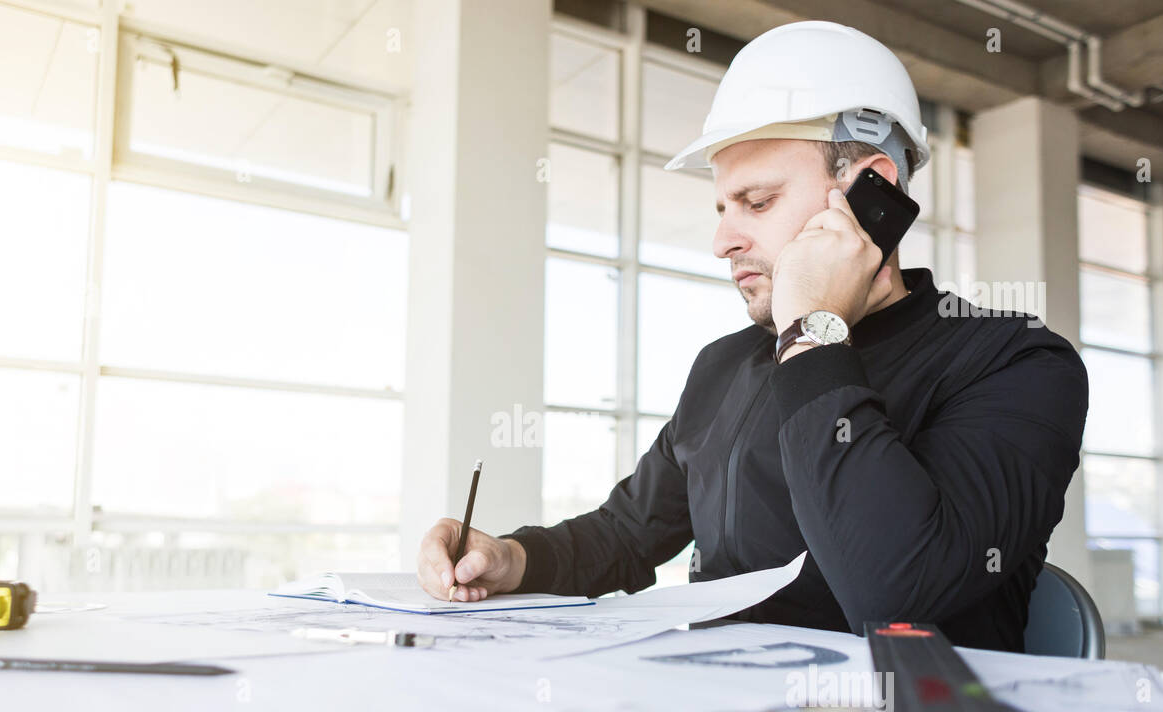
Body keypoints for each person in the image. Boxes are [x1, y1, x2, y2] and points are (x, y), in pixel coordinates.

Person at [416, 21, 1088, 653]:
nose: (721, 241)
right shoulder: (724, 367)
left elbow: (897, 594)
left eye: (757, 202)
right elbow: (627, 533)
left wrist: (814, 335)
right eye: (721, 207)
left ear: (869, 194)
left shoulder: (1015, 363)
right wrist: (512, 558)